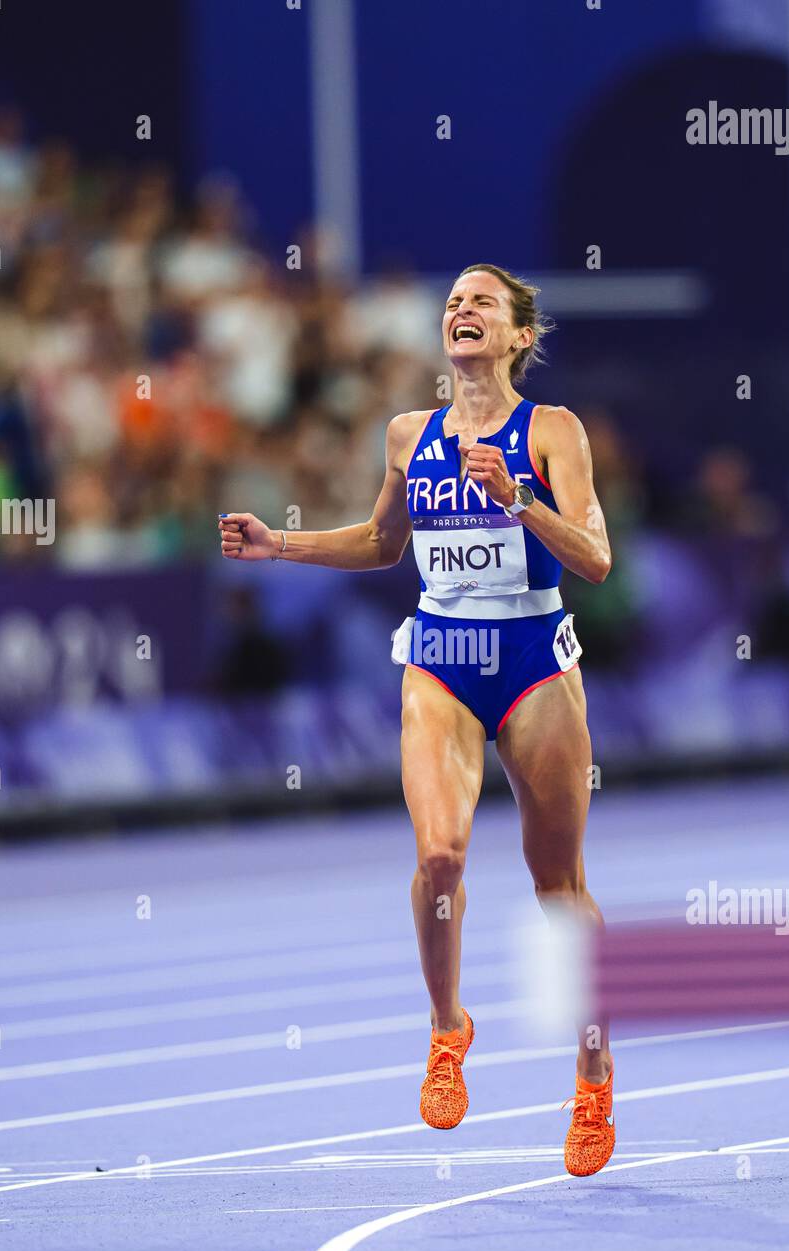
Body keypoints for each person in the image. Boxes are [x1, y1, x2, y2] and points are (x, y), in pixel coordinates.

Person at [219, 264, 615, 1176]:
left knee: (556, 879)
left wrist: (519, 497)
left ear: (519, 335)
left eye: (482, 303)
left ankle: (591, 1072)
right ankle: (447, 1028)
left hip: (530, 660)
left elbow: (593, 558)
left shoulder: (551, 431)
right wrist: (283, 544)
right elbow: (381, 542)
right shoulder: (409, 435)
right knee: (438, 854)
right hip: (440, 657)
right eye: (452, 303)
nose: (461, 311)